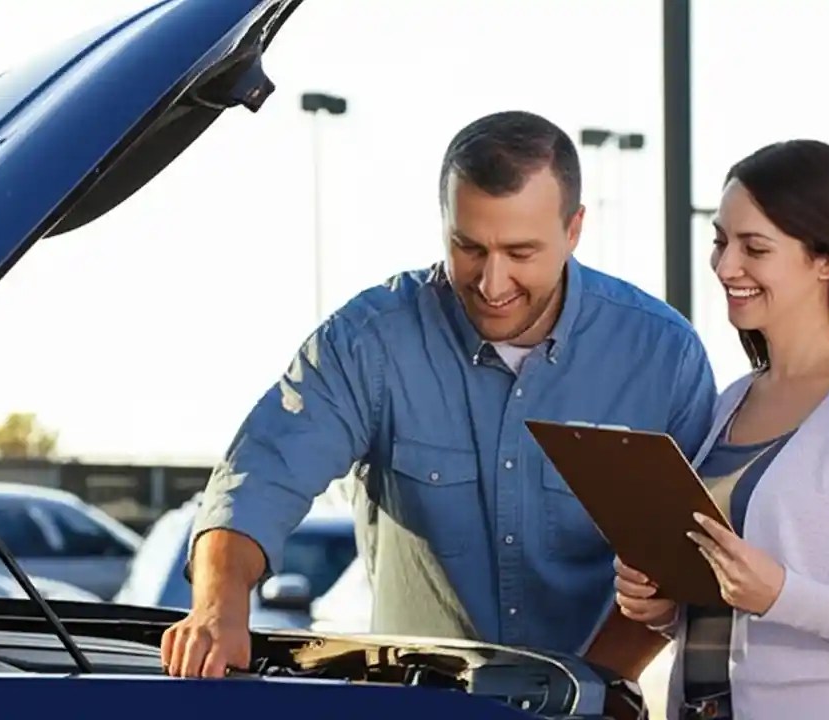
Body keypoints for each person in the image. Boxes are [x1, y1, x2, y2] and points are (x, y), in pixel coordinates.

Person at [161, 109, 718, 680]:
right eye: (469, 247)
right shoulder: (370, 342)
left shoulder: (662, 357)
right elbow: (262, 473)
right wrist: (217, 606)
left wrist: (590, 690)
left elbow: (688, 559)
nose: (492, 283)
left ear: (573, 230)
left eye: (521, 253)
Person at [614, 139, 829, 719]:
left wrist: (779, 593)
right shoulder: (734, 399)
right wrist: (663, 606)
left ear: (828, 259)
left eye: (754, 247)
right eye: (719, 241)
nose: (725, 266)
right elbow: (729, 612)